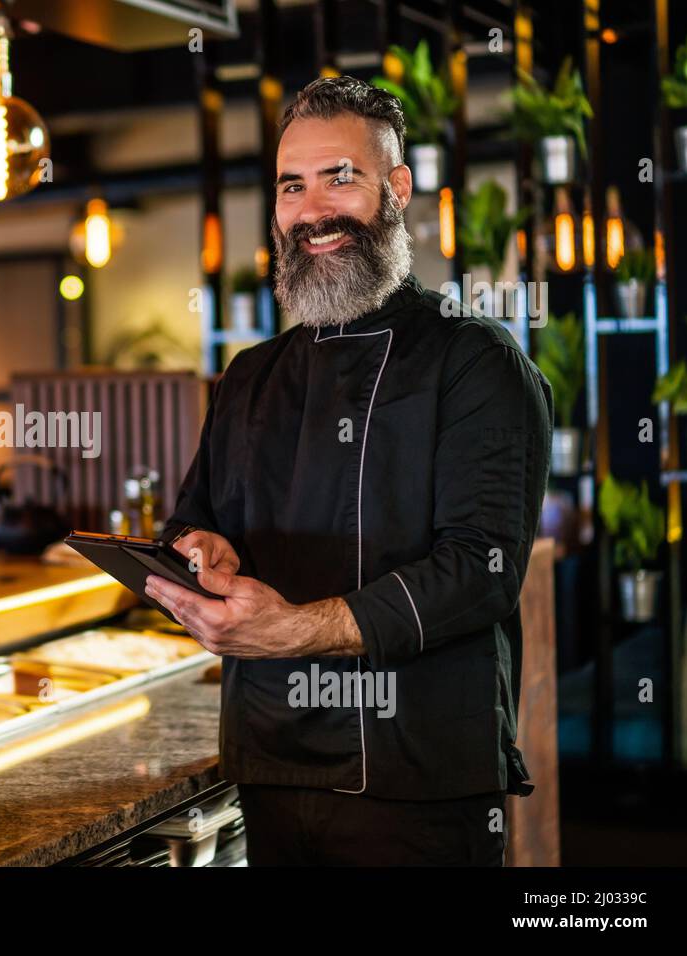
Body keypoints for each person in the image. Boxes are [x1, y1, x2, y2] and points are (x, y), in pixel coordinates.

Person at [144, 75, 552, 866]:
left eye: (342, 177)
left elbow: (481, 570)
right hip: (271, 760)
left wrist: (298, 627)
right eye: (292, 185)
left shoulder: (475, 361)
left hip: (417, 777)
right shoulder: (250, 375)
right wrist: (199, 555)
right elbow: (190, 521)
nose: (313, 209)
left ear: (396, 189)